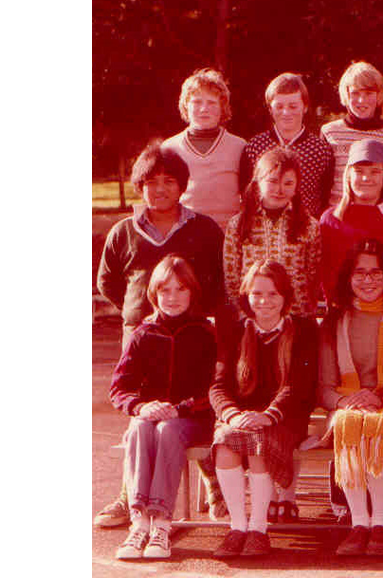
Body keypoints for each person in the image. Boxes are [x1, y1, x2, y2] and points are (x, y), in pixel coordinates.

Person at [95, 142, 227, 527]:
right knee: (139, 418)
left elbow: (218, 281)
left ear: (182, 185)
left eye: (169, 181)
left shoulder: (202, 228)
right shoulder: (124, 231)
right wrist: (140, 311)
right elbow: (108, 282)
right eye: (152, 182)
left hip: (190, 333)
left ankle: (212, 483)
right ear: (140, 186)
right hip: (141, 331)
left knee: (188, 410)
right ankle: (126, 497)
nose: (161, 189)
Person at [317, 239, 383, 556]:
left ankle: (380, 524)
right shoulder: (334, 321)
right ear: (348, 278)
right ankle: (358, 523)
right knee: (355, 422)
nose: (368, 280)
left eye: (376, 272)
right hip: (347, 406)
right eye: (360, 272)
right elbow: (324, 389)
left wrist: (382, 400)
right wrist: (346, 402)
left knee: (375, 426)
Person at [109, 255, 217, 560]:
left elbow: (216, 387)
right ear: (154, 294)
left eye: (180, 289)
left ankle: (162, 522)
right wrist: (140, 406)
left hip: (193, 418)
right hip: (151, 417)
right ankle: (139, 522)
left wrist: (179, 409)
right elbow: (120, 387)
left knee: (167, 428)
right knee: (139, 427)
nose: (172, 298)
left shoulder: (205, 332)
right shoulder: (143, 333)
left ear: (192, 292)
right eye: (165, 290)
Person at [209, 260, 319, 558]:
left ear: (285, 296)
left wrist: (267, 415)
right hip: (242, 416)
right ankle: (237, 527)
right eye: (257, 294)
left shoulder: (303, 330)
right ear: (247, 296)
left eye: (273, 294)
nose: (265, 301)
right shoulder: (234, 331)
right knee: (225, 445)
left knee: (259, 447)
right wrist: (233, 414)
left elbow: (299, 386)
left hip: (284, 418)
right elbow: (218, 386)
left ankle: (258, 529)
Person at [223, 147, 322, 319]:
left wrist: (307, 310)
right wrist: (242, 312)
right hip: (253, 316)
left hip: (295, 314)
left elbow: (313, 274)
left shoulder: (308, 225)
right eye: (273, 181)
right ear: (258, 182)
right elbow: (232, 276)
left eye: (288, 183)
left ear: (297, 185)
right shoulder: (238, 224)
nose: (280, 190)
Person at [319, 139, 383, 304]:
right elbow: (325, 272)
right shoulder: (332, 220)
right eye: (359, 171)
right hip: (343, 311)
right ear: (348, 175)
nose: (366, 178)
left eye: (375, 172)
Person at [239, 72, 335, 218]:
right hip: (261, 228)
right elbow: (246, 192)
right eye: (279, 106)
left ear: (305, 107)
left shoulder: (321, 150)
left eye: (293, 106)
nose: (286, 112)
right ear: (270, 109)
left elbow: (325, 195)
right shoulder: (254, 147)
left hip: (305, 228)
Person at [162, 68, 246, 228]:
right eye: (197, 102)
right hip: (185, 233)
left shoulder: (240, 146)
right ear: (186, 104)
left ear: (223, 107)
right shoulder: (169, 148)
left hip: (228, 235)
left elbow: (249, 197)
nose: (204, 108)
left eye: (211, 102)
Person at [320, 61, 383, 208]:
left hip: (377, 220)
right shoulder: (330, 133)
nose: (361, 100)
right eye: (355, 93)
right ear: (346, 94)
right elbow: (323, 185)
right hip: (338, 219)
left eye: (368, 93)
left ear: (379, 95)